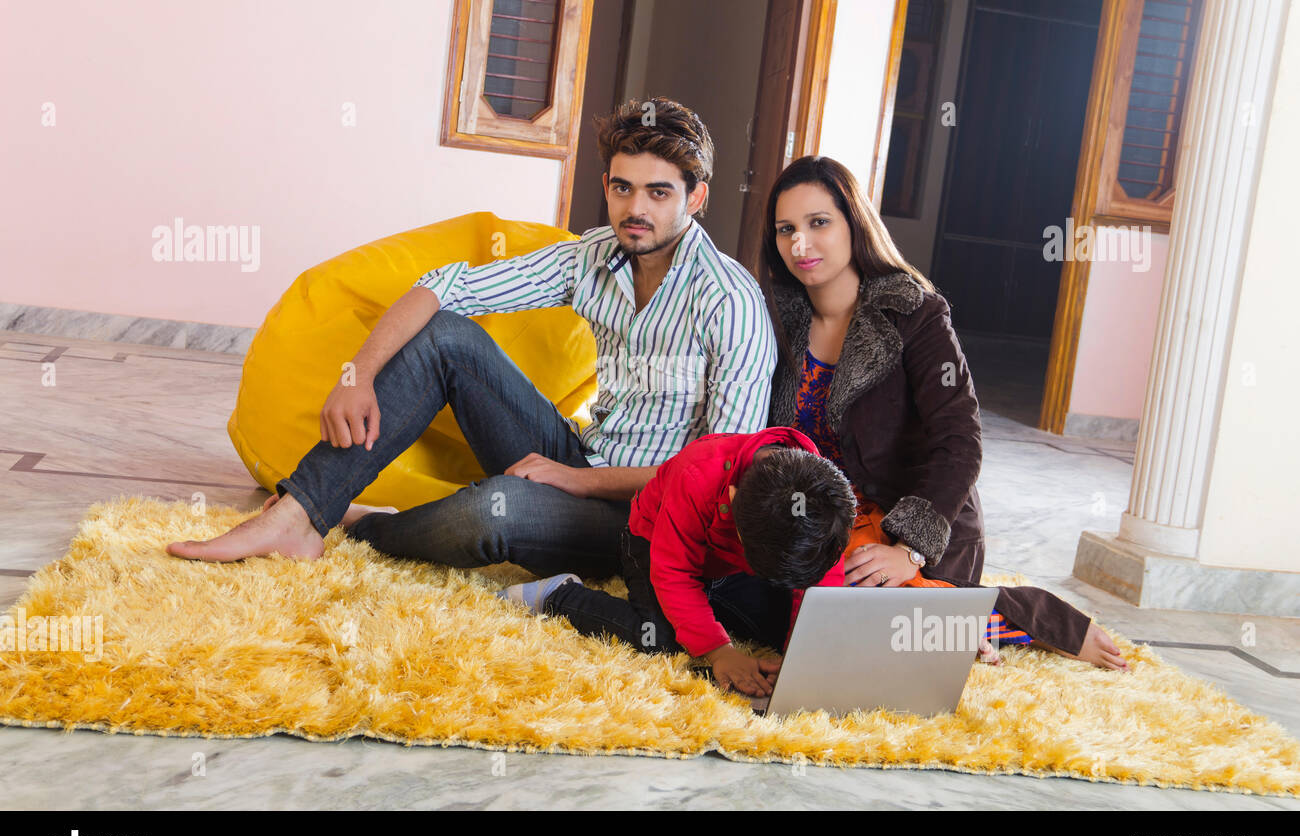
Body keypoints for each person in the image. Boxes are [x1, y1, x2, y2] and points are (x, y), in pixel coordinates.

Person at [166, 98, 776, 580]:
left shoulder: (730, 301)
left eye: (658, 192)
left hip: (651, 517)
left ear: (696, 197)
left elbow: (718, 473)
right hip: (579, 460)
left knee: (495, 510)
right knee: (445, 337)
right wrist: (358, 375)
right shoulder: (593, 255)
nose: (634, 208)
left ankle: (363, 528)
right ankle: (303, 514)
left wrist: (576, 482)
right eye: (622, 187)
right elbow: (445, 287)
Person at [758, 156, 1127, 671]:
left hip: (907, 518)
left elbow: (961, 441)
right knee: (753, 605)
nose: (801, 244)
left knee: (848, 629)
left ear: (854, 223)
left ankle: (1010, 614)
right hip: (822, 519)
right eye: (786, 229)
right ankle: (936, 618)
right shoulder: (775, 317)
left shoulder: (915, 312)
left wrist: (908, 549)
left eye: (819, 222)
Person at [500, 427, 857, 696]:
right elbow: (674, 575)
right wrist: (720, 652)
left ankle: (724, 605)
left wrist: (802, 658)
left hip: (730, 567)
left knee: (788, 637)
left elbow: (820, 588)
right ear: (732, 502)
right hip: (652, 544)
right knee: (661, 641)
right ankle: (560, 595)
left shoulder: (825, 506)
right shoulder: (698, 472)